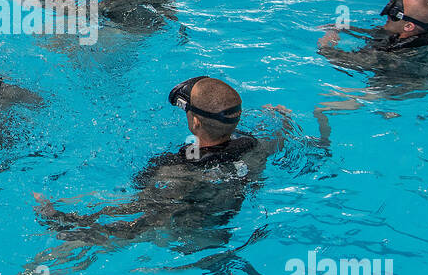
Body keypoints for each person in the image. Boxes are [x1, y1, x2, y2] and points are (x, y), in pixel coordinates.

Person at [33, 77, 301, 254]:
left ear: (195, 123)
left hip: (183, 241)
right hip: (222, 232)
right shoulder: (257, 149)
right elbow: (280, 135)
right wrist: (282, 118)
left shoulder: (175, 172)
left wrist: (63, 219)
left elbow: (131, 220)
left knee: (75, 249)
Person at [318, 0, 428, 75]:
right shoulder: (411, 35)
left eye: (394, 12)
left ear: (408, 26)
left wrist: (325, 45)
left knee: (323, 107)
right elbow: (376, 34)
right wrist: (340, 28)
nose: (388, 14)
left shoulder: (396, 57)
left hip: (398, 92)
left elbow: (347, 61)